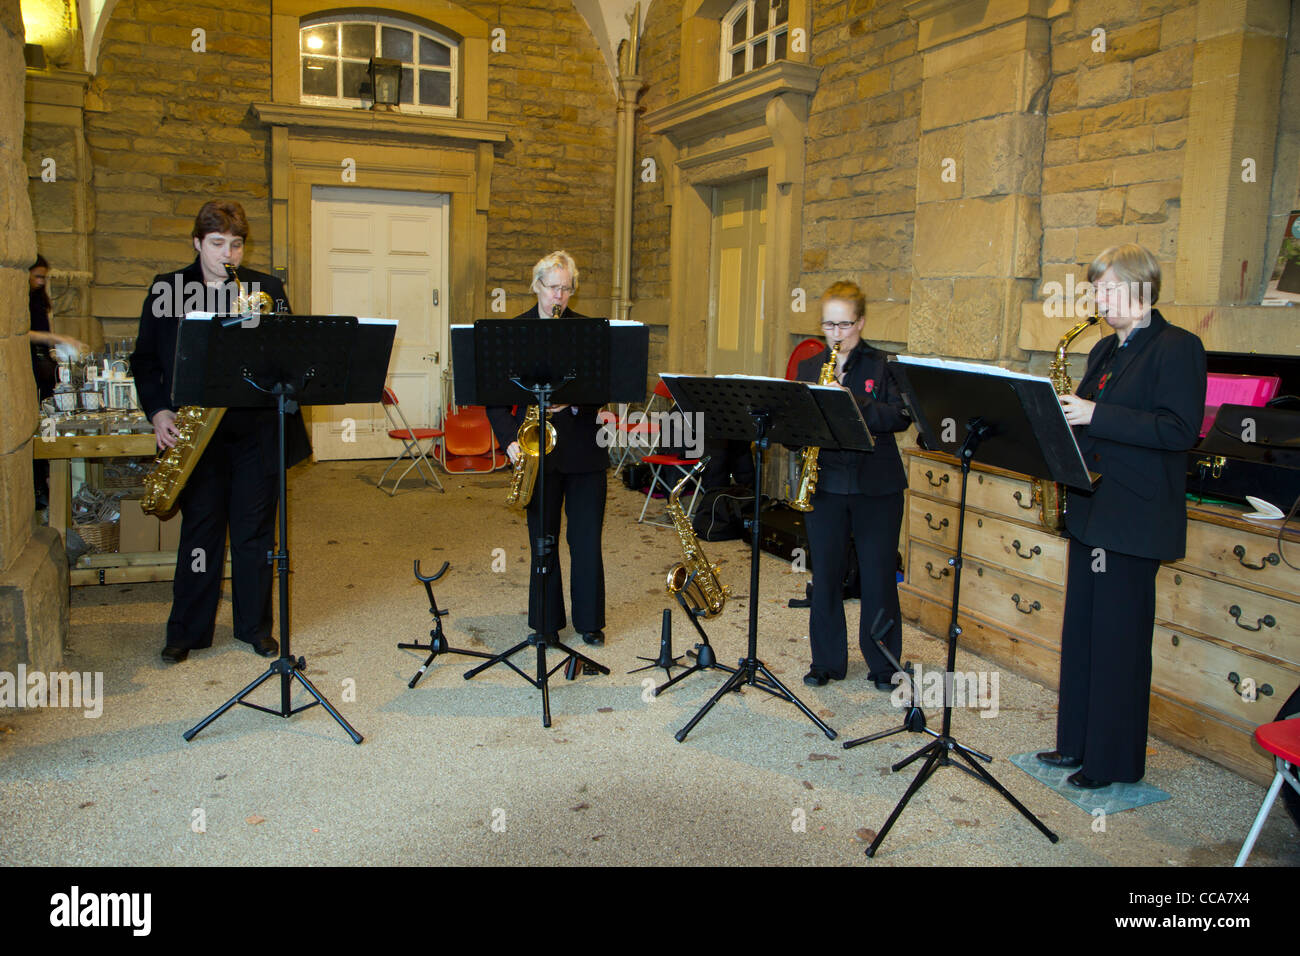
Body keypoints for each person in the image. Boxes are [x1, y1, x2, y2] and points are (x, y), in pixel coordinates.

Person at [1037, 244, 1206, 788]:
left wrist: (1096, 414)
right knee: (1084, 633)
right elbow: (1083, 419)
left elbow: (1179, 430)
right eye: (1095, 290)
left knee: (1119, 642)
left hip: (1135, 518)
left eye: (1107, 290)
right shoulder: (1106, 350)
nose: (1098, 301)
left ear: (1141, 287)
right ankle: (1076, 744)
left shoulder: (1179, 347)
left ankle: (1112, 764)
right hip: (1094, 509)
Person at [130, 200, 309, 664]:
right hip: (196, 432)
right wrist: (159, 413)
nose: (228, 254)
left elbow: (289, 357)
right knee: (200, 533)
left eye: (236, 244)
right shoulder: (168, 289)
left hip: (254, 429)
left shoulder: (266, 289)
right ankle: (188, 631)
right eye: (217, 244)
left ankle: (254, 627)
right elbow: (145, 361)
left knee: (254, 535)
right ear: (197, 242)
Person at [486, 251, 608, 645]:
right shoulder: (514, 332)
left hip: (584, 449)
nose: (560, 297)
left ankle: (590, 623)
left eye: (567, 289)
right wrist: (509, 442)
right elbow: (493, 398)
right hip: (536, 452)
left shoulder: (587, 330)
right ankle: (546, 623)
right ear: (536, 286)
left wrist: (572, 400)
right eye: (553, 288)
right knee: (543, 538)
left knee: (586, 538)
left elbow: (603, 389)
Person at [794, 281, 909, 688]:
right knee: (824, 575)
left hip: (876, 486)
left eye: (845, 325)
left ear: (861, 321)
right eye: (829, 325)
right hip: (826, 484)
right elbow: (794, 427)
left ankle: (883, 664)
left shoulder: (884, 365)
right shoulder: (809, 368)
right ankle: (826, 661)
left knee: (878, 576)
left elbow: (899, 417)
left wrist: (848, 400)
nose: (837, 334)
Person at [29, 255, 87, 509]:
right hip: (31, 368)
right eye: (37, 276)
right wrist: (57, 338)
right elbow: (23, 333)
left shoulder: (38, 298)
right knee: (40, 426)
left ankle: (47, 476)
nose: (41, 282)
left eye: (44, 277)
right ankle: (39, 482)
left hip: (45, 370)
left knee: (49, 422)